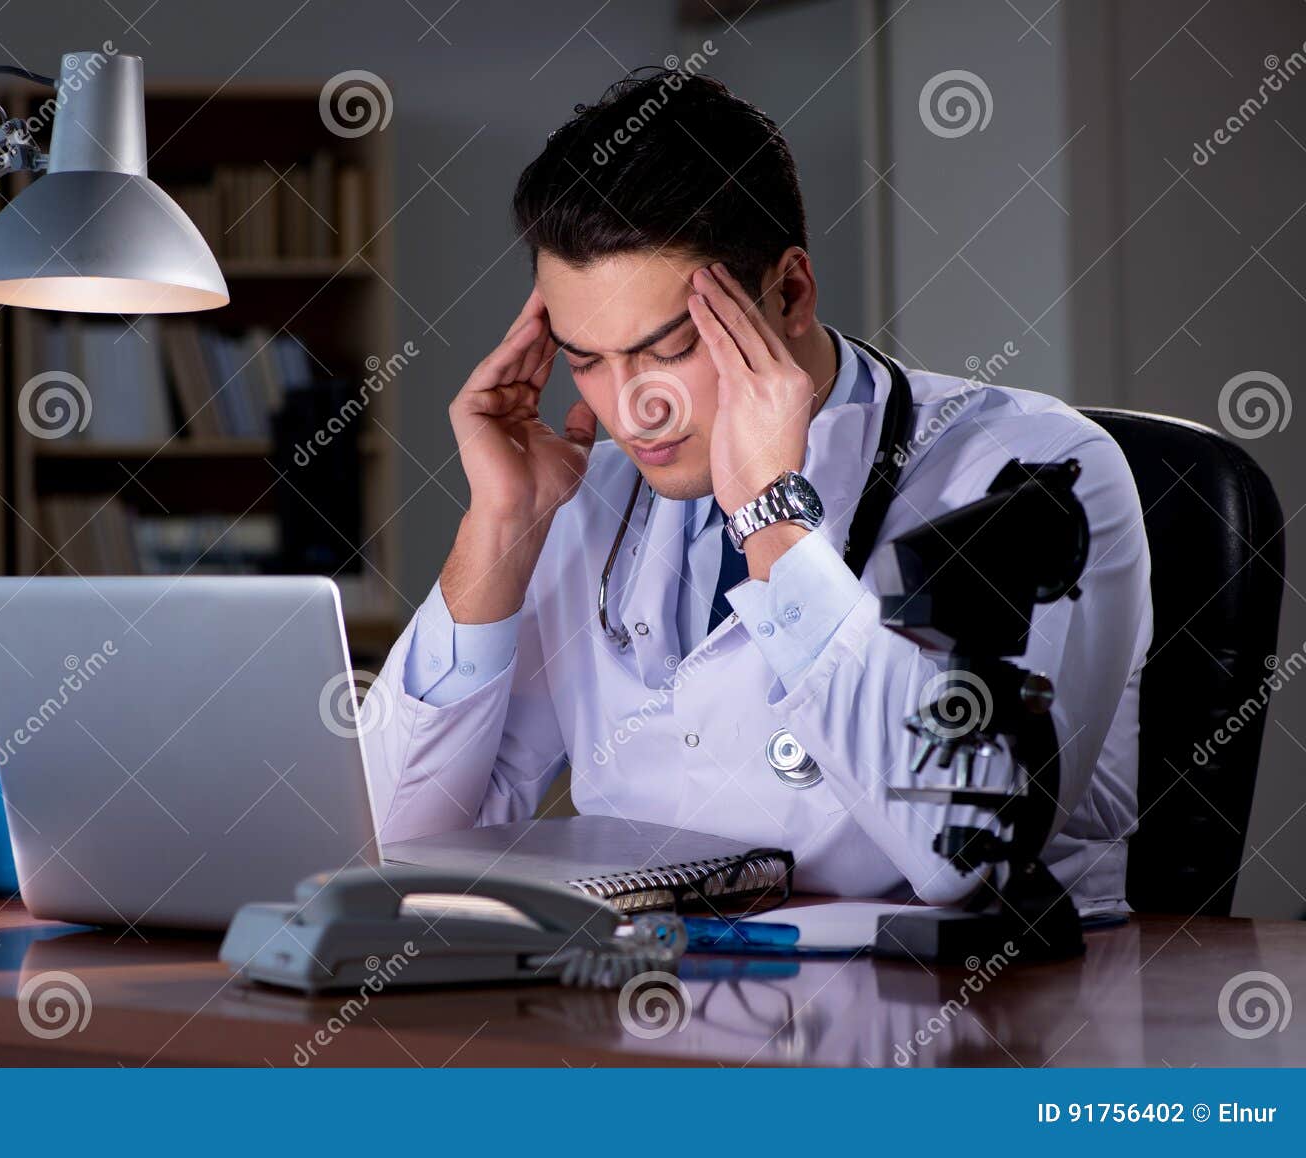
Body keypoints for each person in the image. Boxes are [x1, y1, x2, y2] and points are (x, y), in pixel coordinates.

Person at [360, 70, 1151, 913]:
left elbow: (962, 853)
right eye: (585, 359)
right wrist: (500, 526)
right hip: (658, 1006)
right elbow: (392, 840)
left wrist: (769, 515)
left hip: (969, 1015)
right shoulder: (590, 499)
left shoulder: (1032, 473)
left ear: (792, 293)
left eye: (668, 349)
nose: (633, 409)